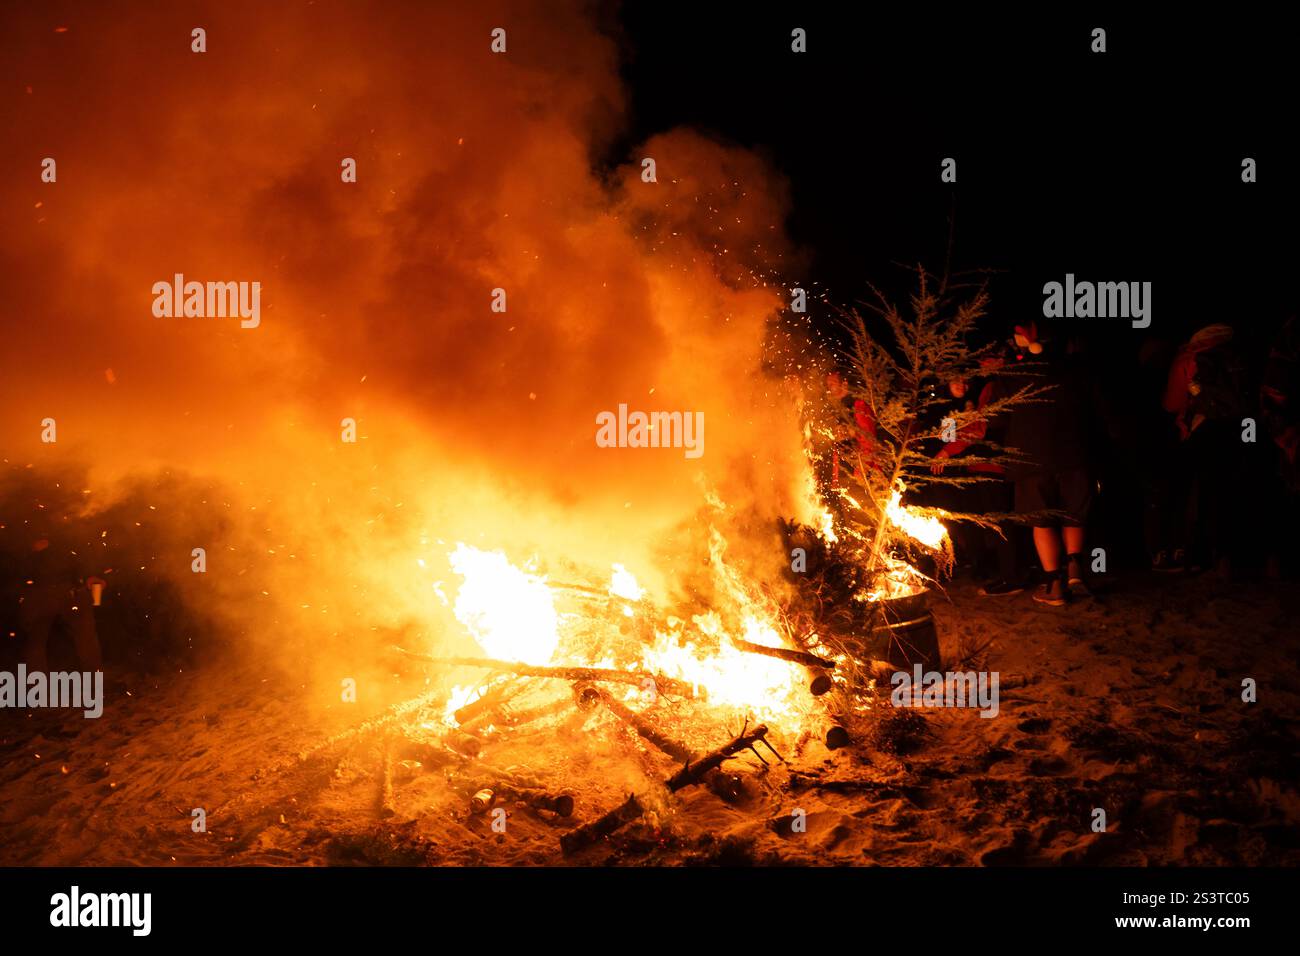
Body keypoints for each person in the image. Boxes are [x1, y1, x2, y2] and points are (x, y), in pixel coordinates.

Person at [1003, 322, 1099, 606]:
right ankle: (1075, 570)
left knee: (1042, 522)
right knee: (1074, 514)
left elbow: (998, 417)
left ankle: (1055, 585)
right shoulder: (1078, 371)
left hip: (1031, 459)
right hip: (1076, 455)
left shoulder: (1014, 375)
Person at [929, 359, 1024, 595]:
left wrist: (947, 449)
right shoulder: (951, 407)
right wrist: (947, 441)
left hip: (988, 464)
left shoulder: (988, 392)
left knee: (999, 519)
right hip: (971, 468)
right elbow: (949, 436)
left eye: (964, 380)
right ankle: (998, 569)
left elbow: (977, 432)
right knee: (986, 519)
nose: (961, 384)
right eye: (955, 380)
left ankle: (1012, 575)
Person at [1162, 324, 1247, 576]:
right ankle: (1255, 556)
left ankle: (1210, 556)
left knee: (1207, 492)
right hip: (1244, 426)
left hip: (1204, 428)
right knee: (1240, 488)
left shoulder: (1189, 357)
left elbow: (1172, 403)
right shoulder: (1242, 353)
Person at [18, 535, 103, 674]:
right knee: (35, 643)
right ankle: (37, 688)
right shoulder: (24, 523)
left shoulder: (71, 525)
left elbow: (86, 541)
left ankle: (96, 685)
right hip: (37, 591)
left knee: (87, 639)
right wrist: (30, 546)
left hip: (72, 589)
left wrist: (93, 574)